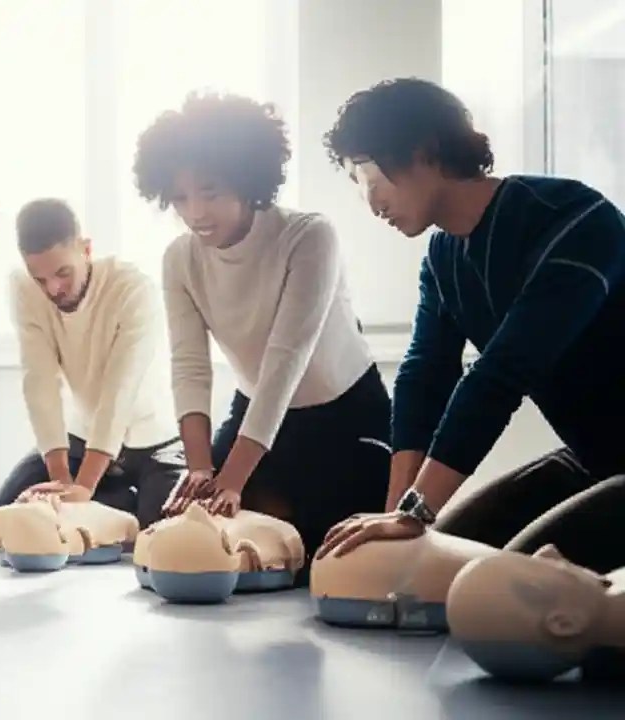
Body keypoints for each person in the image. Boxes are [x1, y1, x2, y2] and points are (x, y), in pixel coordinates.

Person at [315, 77, 625, 574]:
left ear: (424, 152)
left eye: (371, 178)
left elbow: (502, 374)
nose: (372, 204)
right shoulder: (442, 258)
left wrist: (417, 510)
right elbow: (423, 378)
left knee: (498, 580)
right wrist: (397, 514)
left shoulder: (573, 218)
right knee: (431, 558)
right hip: (593, 457)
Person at [131, 91, 392, 563]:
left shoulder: (310, 236)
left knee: (327, 551)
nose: (195, 212)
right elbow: (189, 365)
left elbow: (284, 361)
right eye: (180, 197)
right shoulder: (179, 258)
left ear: (247, 178)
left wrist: (232, 480)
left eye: (209, 192)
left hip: (346, 417)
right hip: (257, 412)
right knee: (191, 531)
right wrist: (201, 469)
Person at [0, 198, 185, 529]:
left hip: (153, 441)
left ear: (85, 249)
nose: (53, 288)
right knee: (9, 510)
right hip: (81, 437)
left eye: (62, 273)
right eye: (39, 278)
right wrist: (61, 484)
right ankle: (116, 504)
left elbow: (119, 392)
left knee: (162, 528)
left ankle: (120, 505)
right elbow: (40, 383)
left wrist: (82, 489)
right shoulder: (23, 287)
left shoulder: (133, 289)